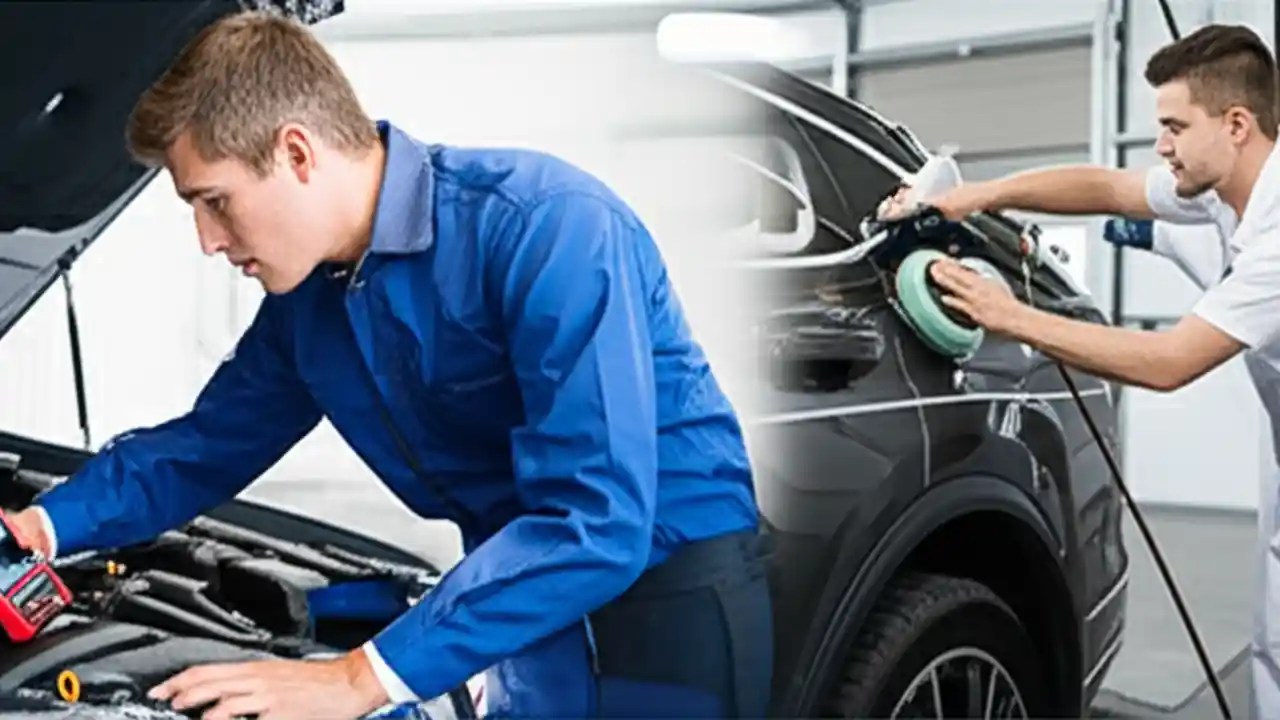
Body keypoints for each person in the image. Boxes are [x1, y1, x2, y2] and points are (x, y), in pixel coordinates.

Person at [3, 10, 771, 720]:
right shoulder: (309, 308)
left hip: (665, 587)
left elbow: (597, 519)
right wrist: (45, 525)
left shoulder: (546, 228)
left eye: (216, 202)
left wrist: (354, 679)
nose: (207, 240)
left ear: (295, 152)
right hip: (516, 592)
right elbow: (201, 449)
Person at [886, 22, 1280, 720]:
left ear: (1238, 125)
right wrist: (975, 196)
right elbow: (1107, 187)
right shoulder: (1222, 188)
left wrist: (1008, 316)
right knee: (1272, 641)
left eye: (1173, 127)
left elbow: (1168, 363)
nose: (1161, 146)